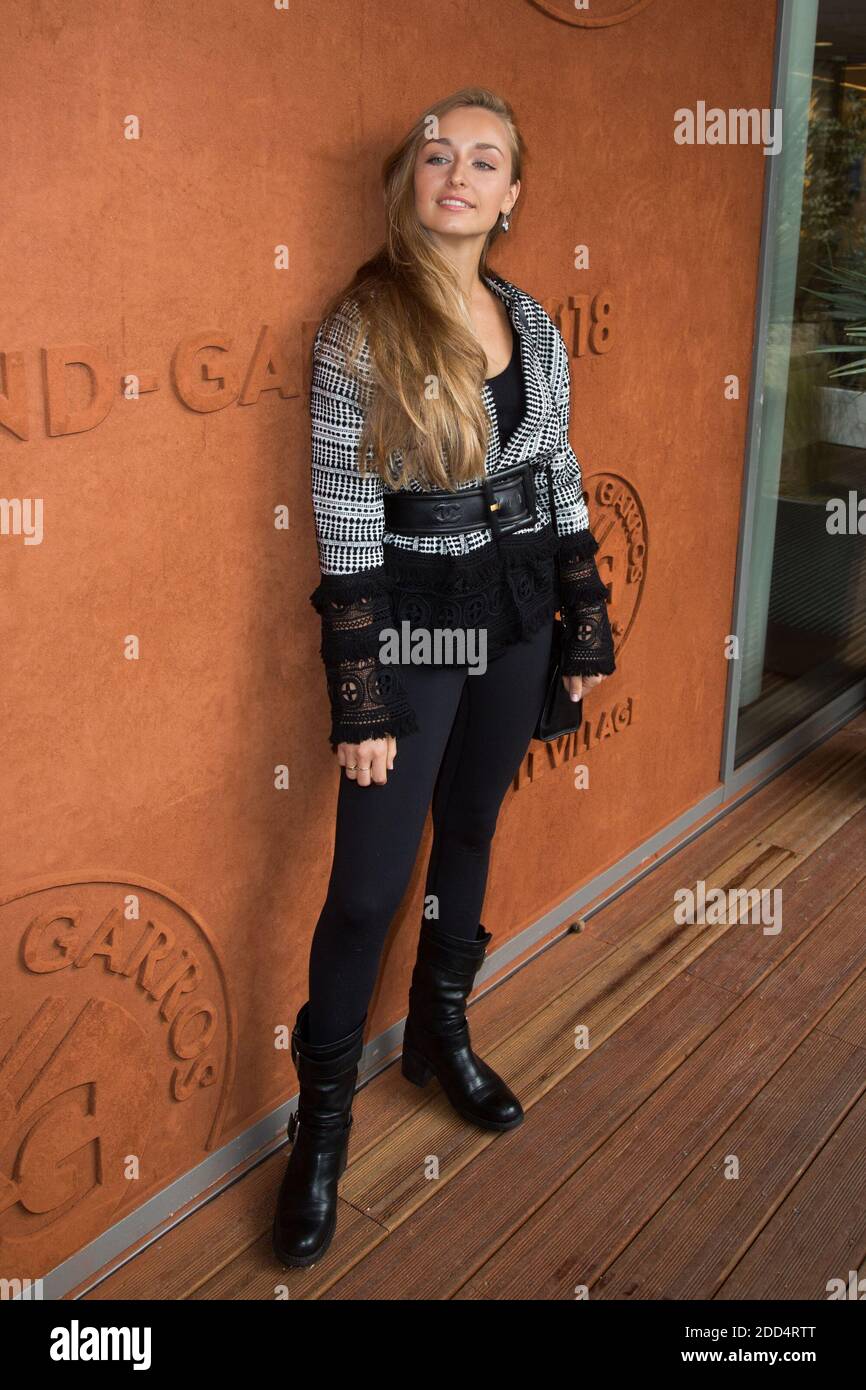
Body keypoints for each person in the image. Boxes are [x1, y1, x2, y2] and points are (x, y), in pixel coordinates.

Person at [272, 86, 616, 1268]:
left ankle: (437, 1033)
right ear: (409, 184)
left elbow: (558, 469)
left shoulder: (529, 315)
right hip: (418, 621)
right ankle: (318, 1135)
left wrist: (580, 621)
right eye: (436, 156)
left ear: (511, 194)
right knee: (369, 883)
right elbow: (343, 518)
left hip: (517, 606)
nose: (457, 175)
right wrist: (357, 689)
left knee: (468, 827)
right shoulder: (361, 329)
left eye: (484, 160)